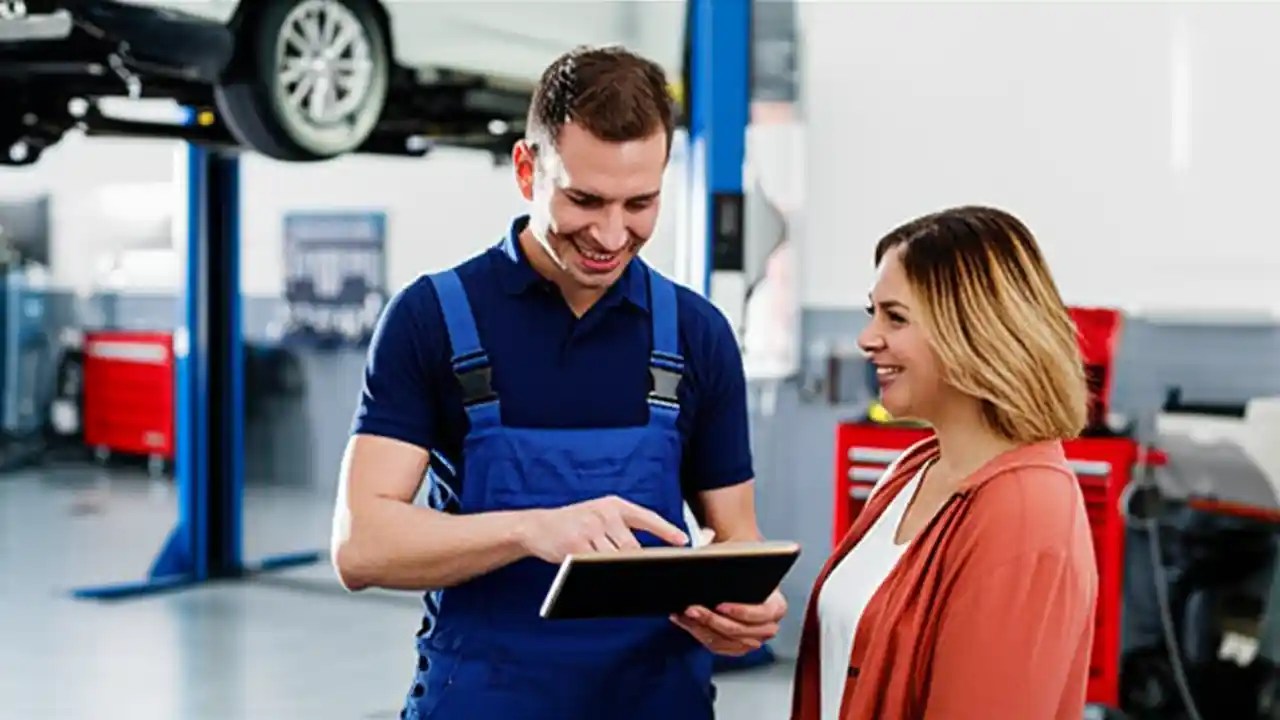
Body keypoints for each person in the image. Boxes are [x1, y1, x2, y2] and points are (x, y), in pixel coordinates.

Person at [330, 45, 787, 720]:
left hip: (656, 701)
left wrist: (745, 604)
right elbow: (361, 545)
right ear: (526, 169)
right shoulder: (431, 319)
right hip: (484, 699)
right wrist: (529, 531)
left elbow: (737, 534)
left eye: (641, 203)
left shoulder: (696, 335)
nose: (610, 233)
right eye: (584, 199)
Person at [789, 206, 1100, 720]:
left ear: (971, 330)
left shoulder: (1024, 510)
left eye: (895, 317)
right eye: (873, 313)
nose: (867, 339)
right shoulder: (909, 471)